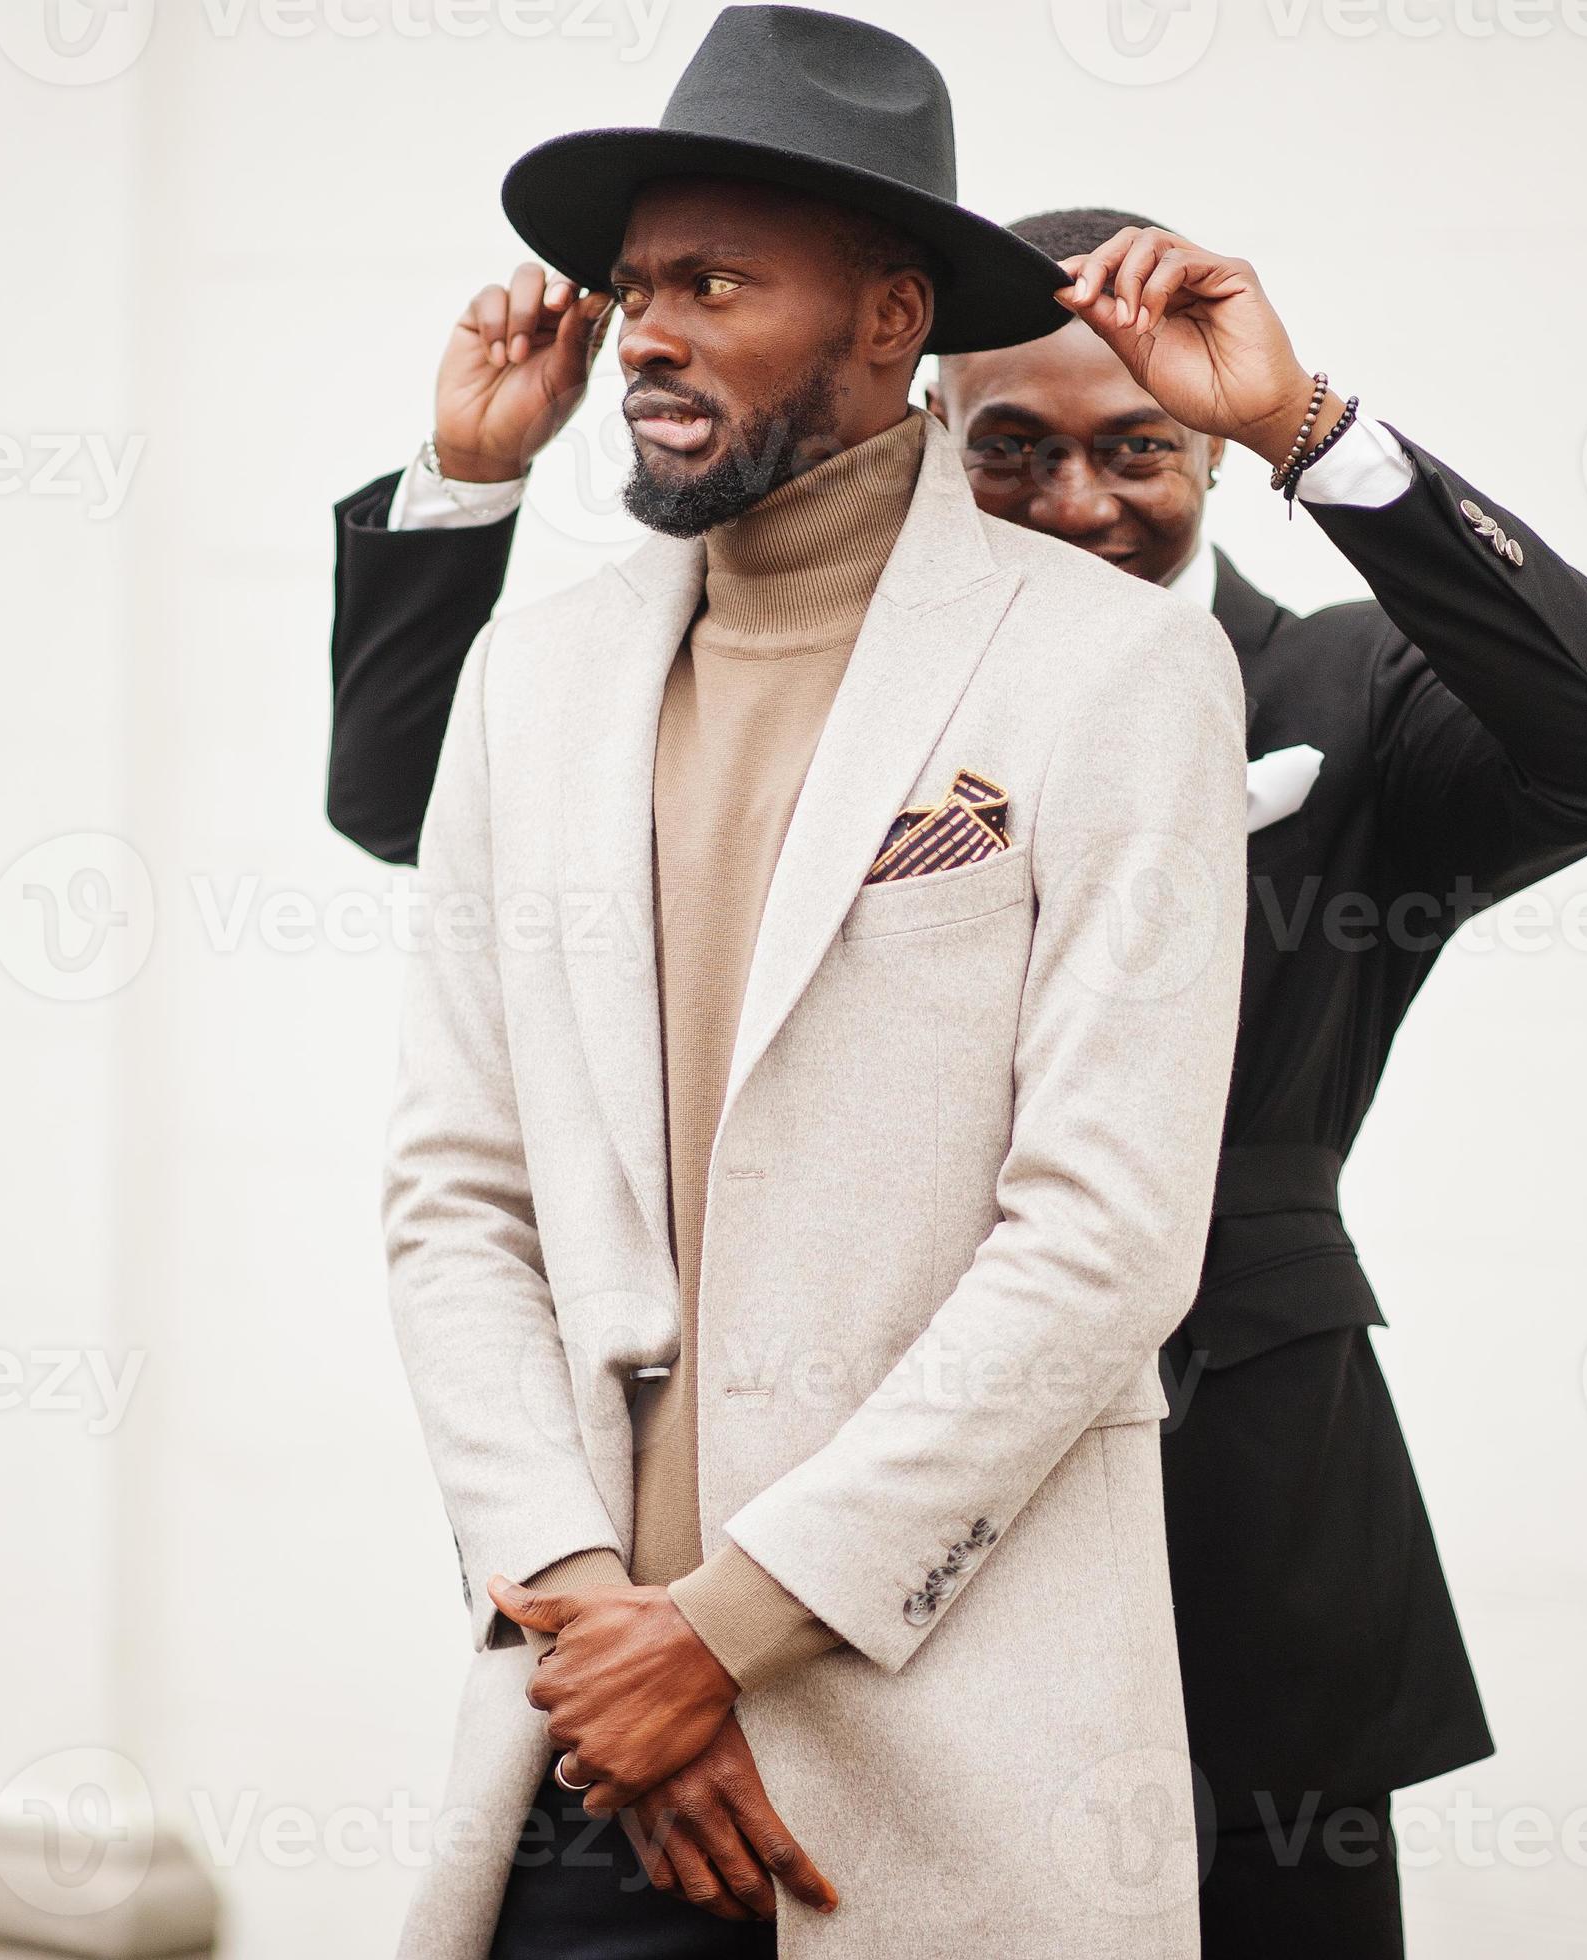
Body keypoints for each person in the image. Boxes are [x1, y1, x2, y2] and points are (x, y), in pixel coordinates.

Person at [339, 198, 1587, 1960]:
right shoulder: (824, 684)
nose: (1080, 501)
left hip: (1237, 1519)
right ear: (924, 419)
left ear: (1201, 453)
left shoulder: (1335, 689)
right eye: (1014, 451)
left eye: (1138, 448)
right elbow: (419, 813)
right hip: (805, 1488)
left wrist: (1308, 429)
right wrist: (468, 489)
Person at [379, 10, 1251, 1957]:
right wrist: (588, 1604)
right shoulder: (535, 679)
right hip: (585, 1740)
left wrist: (732, 1620)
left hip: (928, 1751)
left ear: (887, 319)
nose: (650, 333)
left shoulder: (1111, 672)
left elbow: (1104, 1237)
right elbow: (457, 1191)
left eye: (713, 282)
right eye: (632, 287)